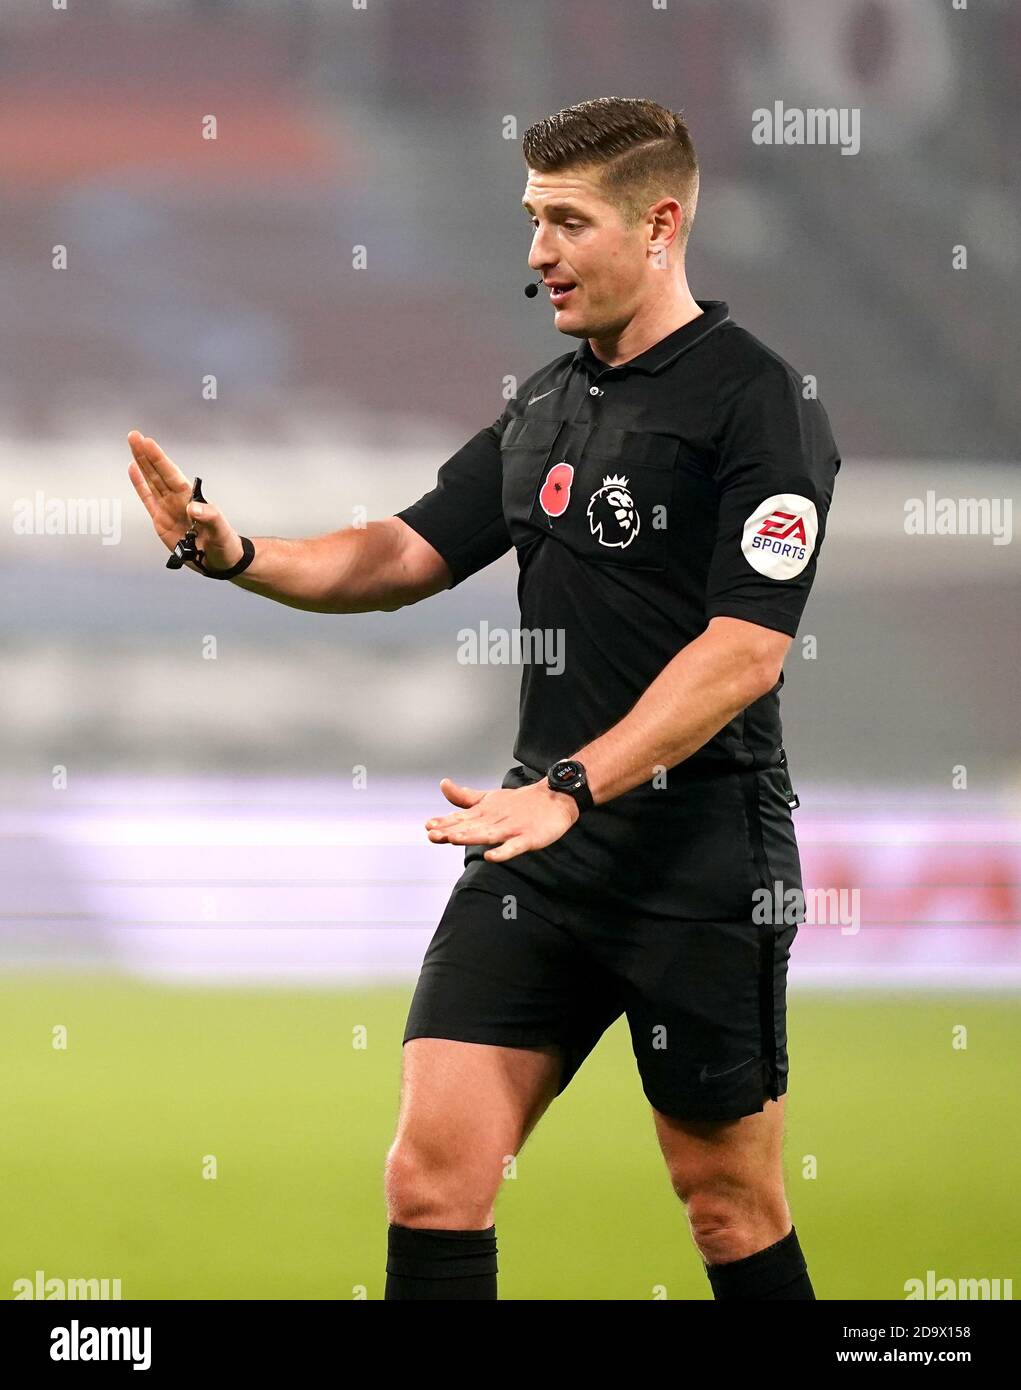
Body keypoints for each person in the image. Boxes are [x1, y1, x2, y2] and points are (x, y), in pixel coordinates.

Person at [127, 95, 840, 1302]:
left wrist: (573, 784)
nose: (537, 254)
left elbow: (743, 653)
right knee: (430, 1178)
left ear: (660, 225)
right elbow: (400, 552)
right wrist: (234, 550)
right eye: (529, 219)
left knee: (726, 1206)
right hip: (537, 855)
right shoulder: (547, 405)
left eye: (565, 222)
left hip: (698, 858)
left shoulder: (756, 402)